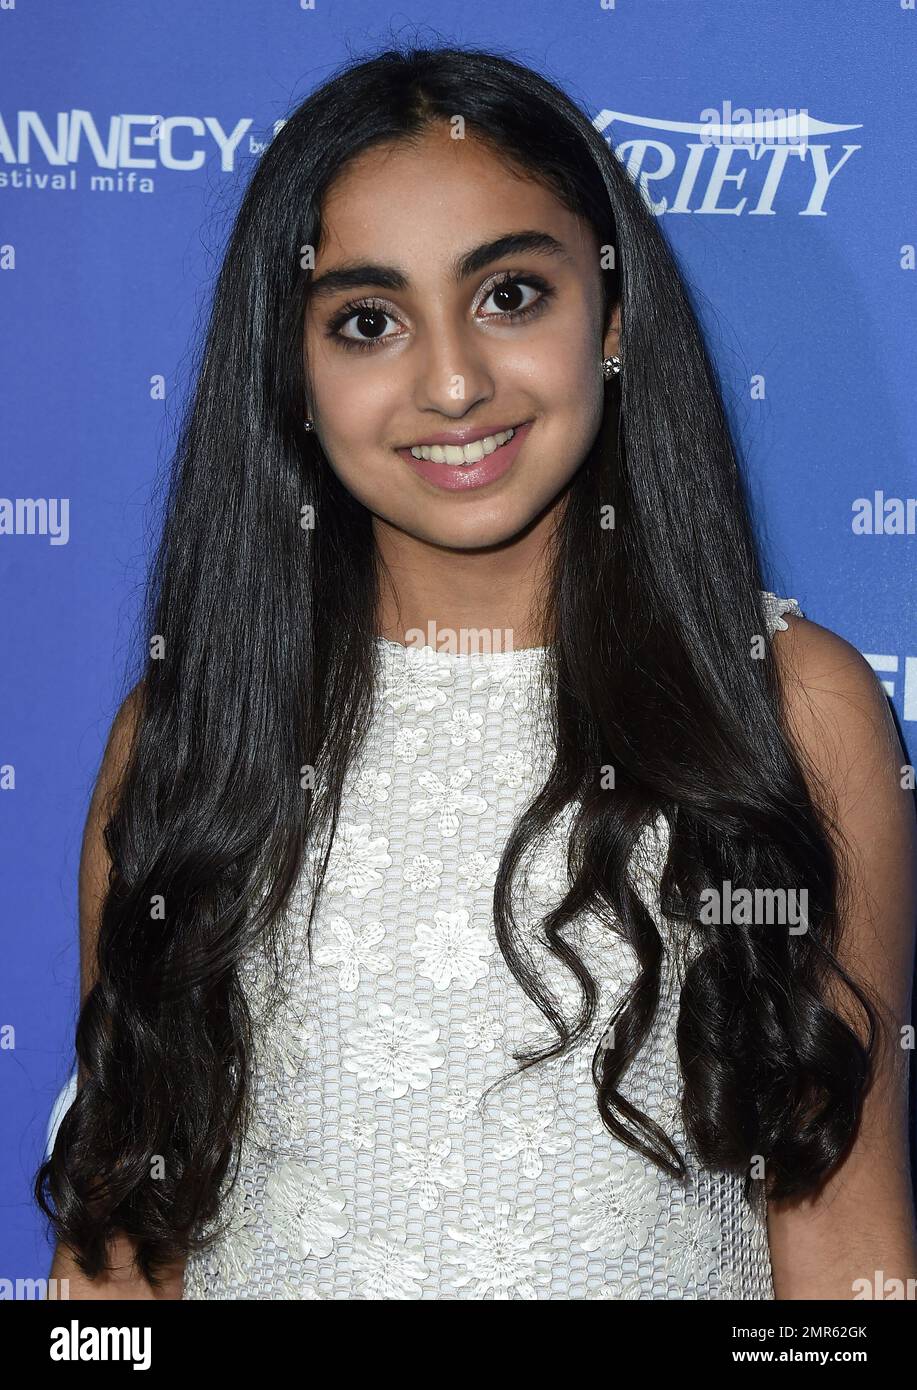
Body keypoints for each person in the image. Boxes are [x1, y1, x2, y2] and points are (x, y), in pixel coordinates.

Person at [37, 43, 916, 1300]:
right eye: (368, 321)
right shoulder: (196, 732)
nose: (450, 383)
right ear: (294, 373)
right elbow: (118, 1251)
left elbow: (840, 1242)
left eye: (509, 295)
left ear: (609, 320)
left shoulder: (790, 711)